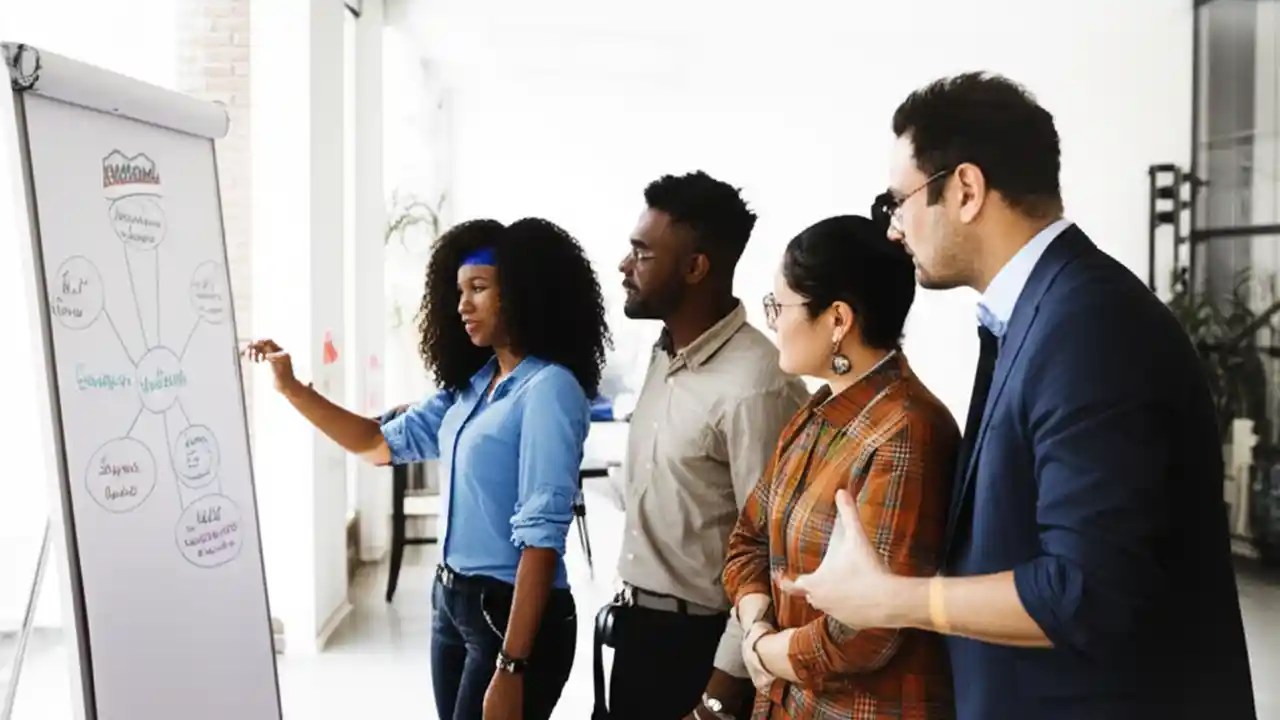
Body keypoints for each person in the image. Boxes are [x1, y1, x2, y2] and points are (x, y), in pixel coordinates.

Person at [782, 72, 1257, 719]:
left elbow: (1086, 589)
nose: (892, 230)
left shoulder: (1089, 326)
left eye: (898, 202)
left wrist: (892, 599)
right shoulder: (1046, 312)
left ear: (966, 190)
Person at [246, 217, 612, 720]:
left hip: (509, 615)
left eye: (478, 288)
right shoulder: (473, 387)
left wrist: (512, 665)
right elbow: (376, 444)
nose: (462, 305)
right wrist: (291, 388)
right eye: (458, 291)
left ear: (522, 293)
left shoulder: (549, 389)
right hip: (452, 604)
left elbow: (543, 539)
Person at [722, 214, 958, 719]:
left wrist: (764, 652)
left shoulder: (908, 431)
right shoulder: (816, 412)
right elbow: (747, 541)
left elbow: (870, 631)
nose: (773, 322)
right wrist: (758, 622)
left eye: (778, 306)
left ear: (837, 320)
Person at [602, 171, 808, 720]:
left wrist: (719, 695)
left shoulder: (758, 384)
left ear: (695, 267)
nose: (624, 266)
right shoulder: (664, 353)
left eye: (642, 254)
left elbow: (772, 552)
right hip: (640, 633)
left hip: (703, 650)